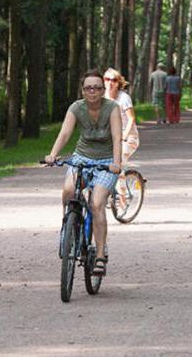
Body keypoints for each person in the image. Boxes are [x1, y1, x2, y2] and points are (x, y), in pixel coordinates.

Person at [45, 69, 122, 275]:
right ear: (82, 90)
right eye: (88, 88)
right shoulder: (76, 108)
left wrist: (116, 162)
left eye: (97, 87)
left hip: (106, 161)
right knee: (69, 190)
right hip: (82, 157)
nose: (93, 91)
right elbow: (65, 132)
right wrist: (53, 154)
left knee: (97, 203)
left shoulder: (112, 108)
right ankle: (67, 227)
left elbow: (116, 137)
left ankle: (99, 255)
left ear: (103, 89)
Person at [104, 68, 139, 165]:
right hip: (111, 137)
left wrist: (124, 137)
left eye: (114, 80)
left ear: (118, 83)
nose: (110, 83)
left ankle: (121, 179)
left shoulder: (124, 98)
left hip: (129, 137)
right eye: (107, 79)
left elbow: (131, 119)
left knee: (118, 160)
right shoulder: (103, 97)